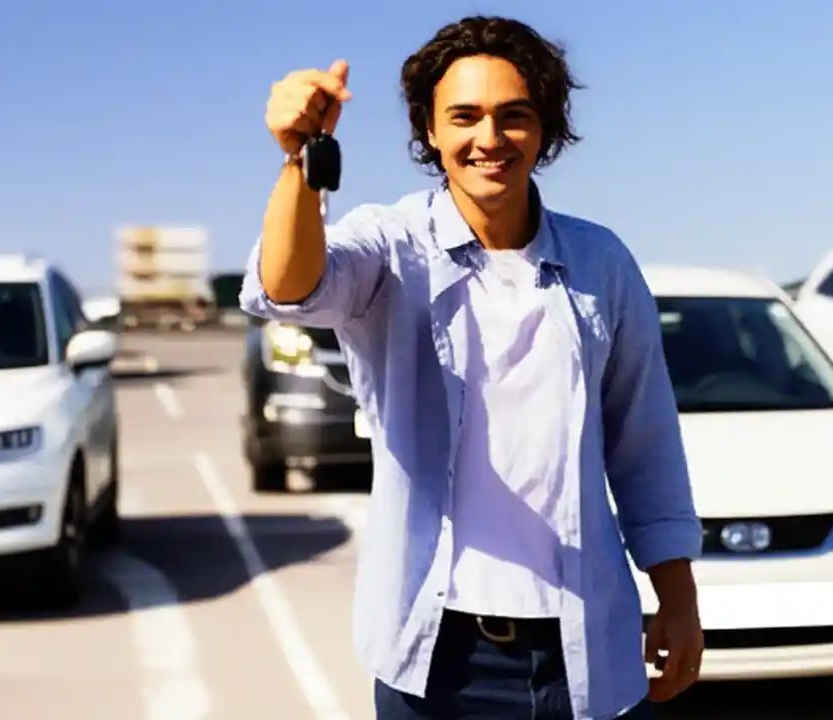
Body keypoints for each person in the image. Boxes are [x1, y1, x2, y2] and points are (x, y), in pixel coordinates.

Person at [240, 14, 704, 720]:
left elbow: (644, 441)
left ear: (544, 129)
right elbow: (289, 286)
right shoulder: (391, 244)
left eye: (513, 116)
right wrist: (301, 159)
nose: (488, 139)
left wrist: (678, 596)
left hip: (586, 646)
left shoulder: (601, 262)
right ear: (430, 130)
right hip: (437, 658)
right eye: (464, 117)